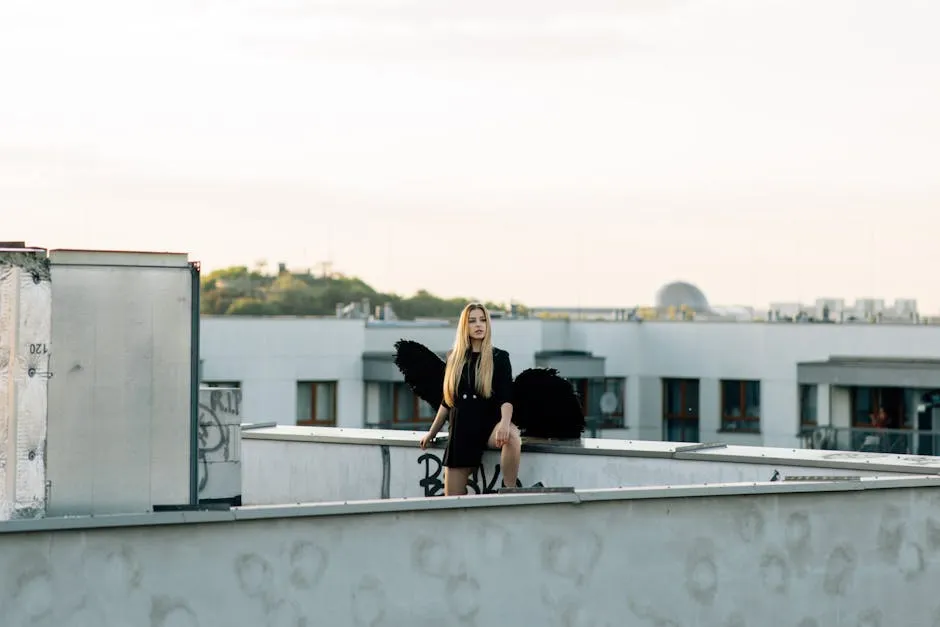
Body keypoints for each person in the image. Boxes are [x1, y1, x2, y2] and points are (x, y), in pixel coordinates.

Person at [419, 302, 521, 495]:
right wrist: (432, 432)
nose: (478, 325)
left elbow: (506, 397)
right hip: (462, 432)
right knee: (452, 502)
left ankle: (510, 491)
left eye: (483, 320)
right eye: (472, 321)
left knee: (513, 437)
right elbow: (447, 401)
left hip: (489, 427)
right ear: (464, 326)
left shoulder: (499, 357)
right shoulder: (454, 358)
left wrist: (505, 424)